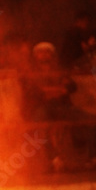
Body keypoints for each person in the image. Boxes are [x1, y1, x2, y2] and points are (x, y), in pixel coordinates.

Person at [21, 42, 77, 170]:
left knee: (81, 117)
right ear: (35, 55)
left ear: (52, 55)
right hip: (39, 107)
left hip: (60, 107)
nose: (44, 55)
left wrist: (64, 89)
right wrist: (47, 93)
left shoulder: (58, 70)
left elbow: (72, 85)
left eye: (47, 52)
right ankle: (53, 158)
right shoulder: (30, 71)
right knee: (39, 125)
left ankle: (87, 159)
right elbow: (30, 90)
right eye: (41, 52)